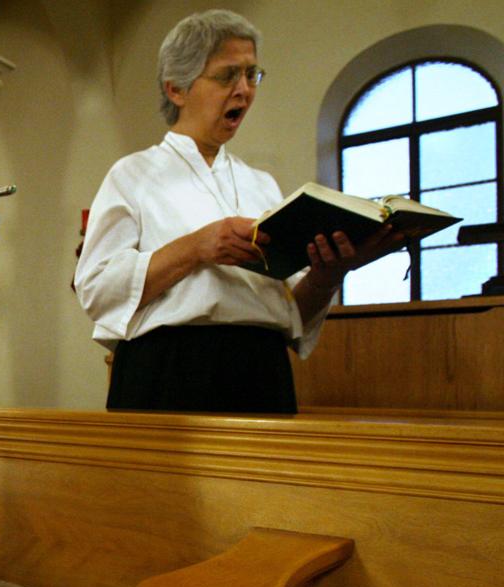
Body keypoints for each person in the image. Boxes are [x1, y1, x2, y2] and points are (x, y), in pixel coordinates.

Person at [74, 9, 405, 413]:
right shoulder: (133, 174)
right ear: (176, 89)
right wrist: (197, 247)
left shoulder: (261, 184)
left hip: (262, 369)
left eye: (252, 75)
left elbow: (292, 315)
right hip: (169, 371)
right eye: (227, 75)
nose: (244, 90)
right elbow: (96, 290)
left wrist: (330, 271)